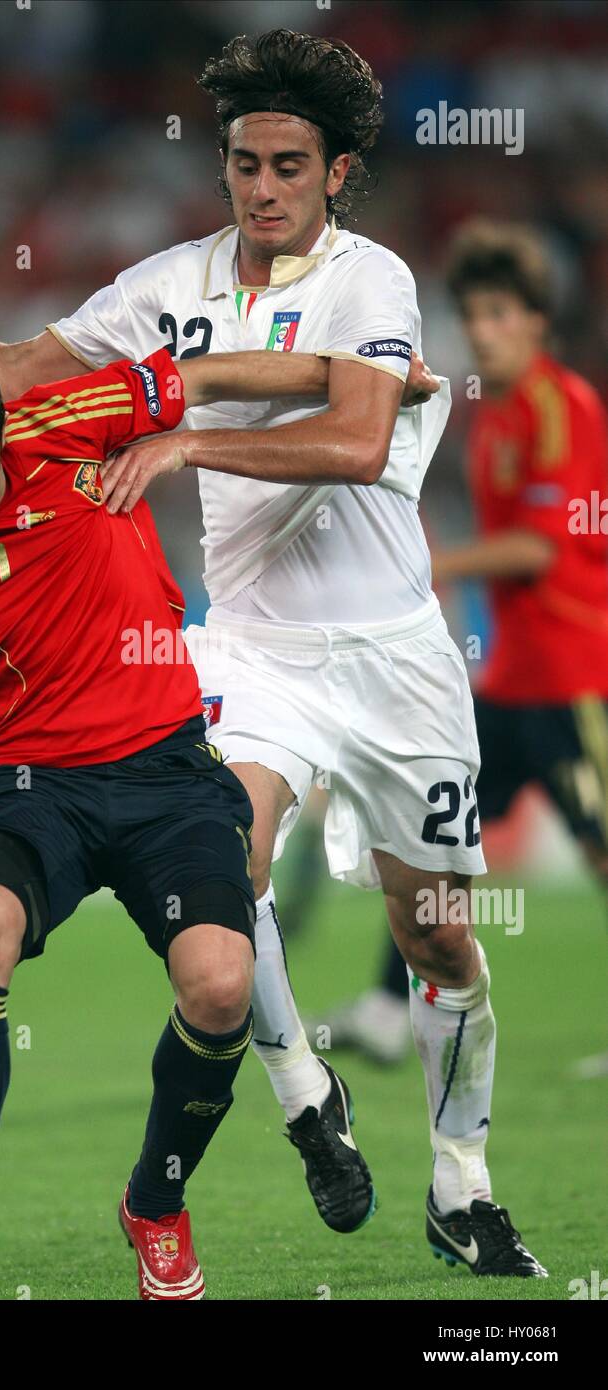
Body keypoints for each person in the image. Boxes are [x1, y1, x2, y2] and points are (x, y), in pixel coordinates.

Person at [0, 29, 545, 1277]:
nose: (262, 188)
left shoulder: (372, 282)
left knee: (438, 938)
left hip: (395, 650)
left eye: (288, 167)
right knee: (226, 864)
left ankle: (460, 1181)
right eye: (243, 164)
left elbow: (357, 440)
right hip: (249, 643)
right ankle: (303, 1094)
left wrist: (186, 436)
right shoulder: (164, 284)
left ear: (336, 173)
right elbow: (9, 379)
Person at [0, 334, 369, 1301]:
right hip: (29, 784)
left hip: (168, 768)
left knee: (221, 986)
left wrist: (358, 379)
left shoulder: (70, 418)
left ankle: (155, 1204)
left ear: (0, 429)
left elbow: (205, 374)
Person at [326, 221, 608, 1083]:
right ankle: (388, 1007)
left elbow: (540, 548)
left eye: (499, 313)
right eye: (473, 315)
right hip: (512, 681)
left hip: (574, 677)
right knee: (440, 840)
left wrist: (431, 565)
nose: (483, 331)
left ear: (537, 320)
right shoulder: (496, 417)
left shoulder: (562, 408)